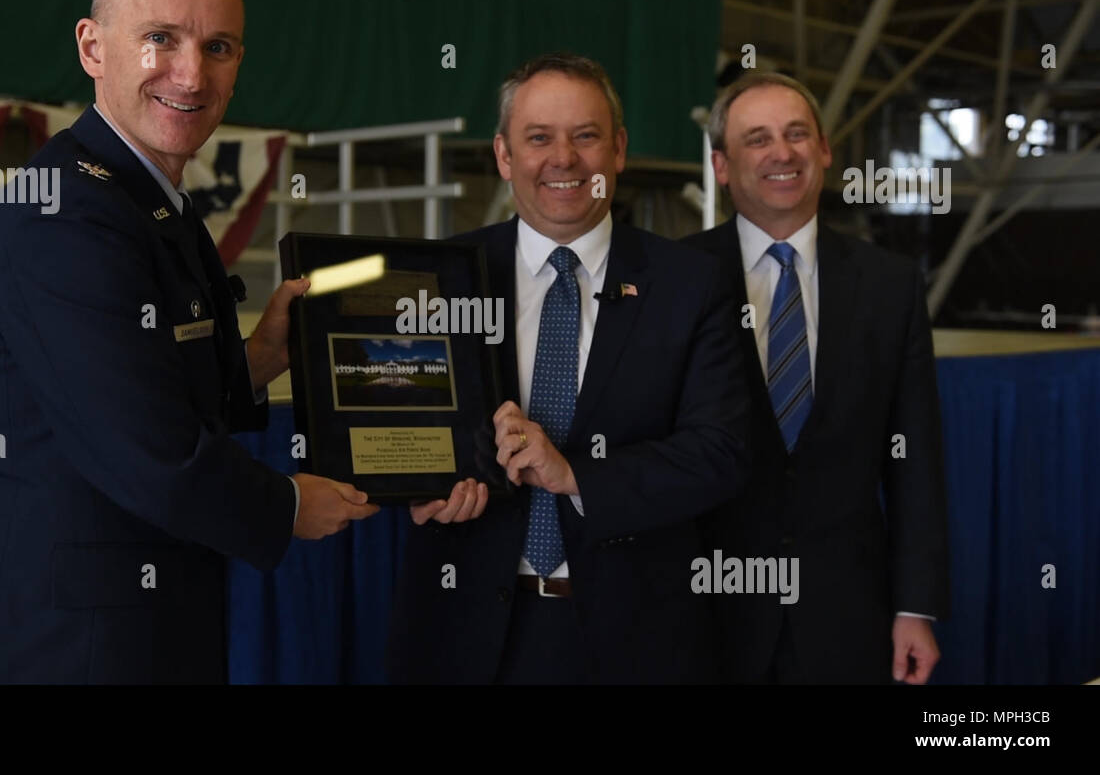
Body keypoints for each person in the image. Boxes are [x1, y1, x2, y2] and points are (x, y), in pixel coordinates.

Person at [0, 0, 376, 684]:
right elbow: (148, 451)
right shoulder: (65, 212)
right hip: (65, 652)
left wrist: (260, 354)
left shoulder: (144, 196)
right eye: (160, 38)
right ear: (92, 47)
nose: (192, 75)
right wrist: (288, 502)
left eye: (217, 47)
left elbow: (153, 382)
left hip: (142, 629)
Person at [385, 53, 750, 684]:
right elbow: (397, 431)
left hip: (635, 641)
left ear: (618, 151)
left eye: (585, 136)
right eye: (538, 138)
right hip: (464, 635)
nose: (564, 159)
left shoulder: (692, 283)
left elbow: (721, 452)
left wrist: (575, 474)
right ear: (504, 156)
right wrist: (416, 488)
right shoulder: (435, 276)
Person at [683, 71, 949, 684]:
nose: (782, 152)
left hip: (848, 618)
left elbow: (915, 461)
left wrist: (916, 606)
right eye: (758, 139)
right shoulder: (675, 276)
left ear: (824, 151)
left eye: (797, 133)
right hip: (705, 615)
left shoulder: (891, 285)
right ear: (722, 165)